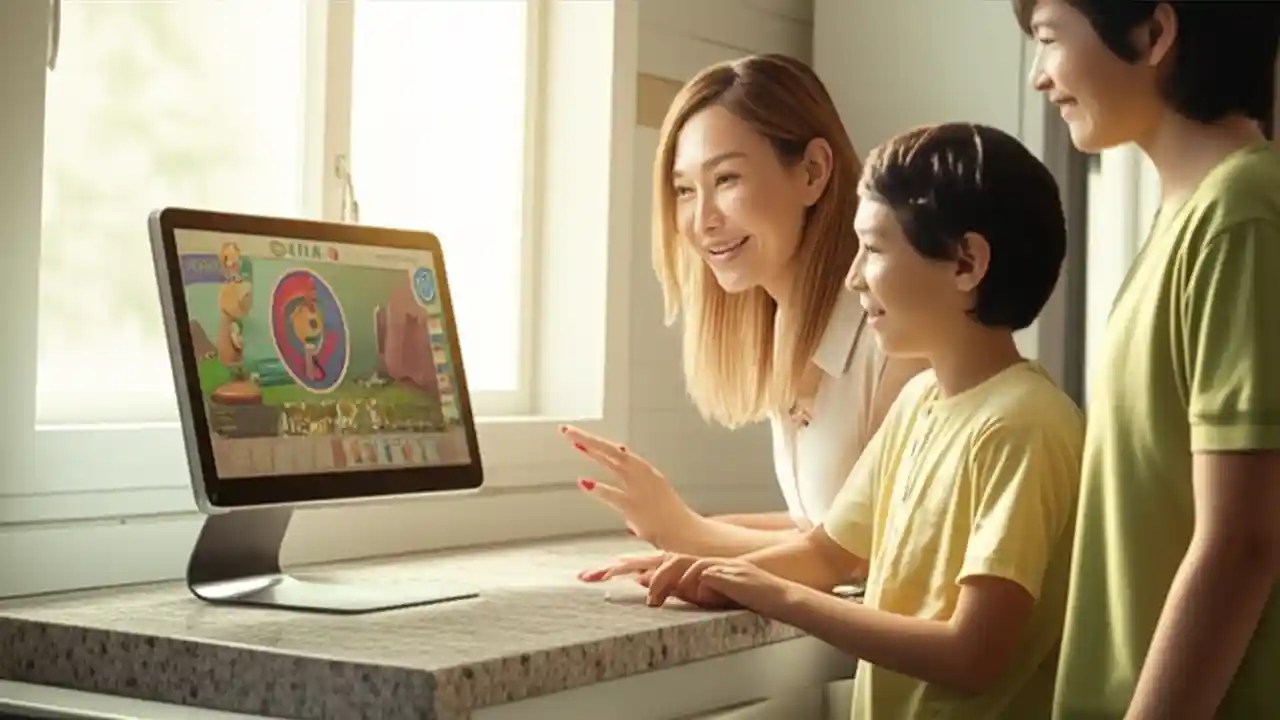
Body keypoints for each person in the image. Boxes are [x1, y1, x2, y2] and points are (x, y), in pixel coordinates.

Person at [593, 123, 1083, 719]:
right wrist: (714, 575)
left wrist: (778, 597)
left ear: (965, 262)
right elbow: (827, 553)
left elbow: (972, 654)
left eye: (873, 249)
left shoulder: (1023, 426)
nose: (852, 277)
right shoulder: (920, 403)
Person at [1013, 2, 1280, 717]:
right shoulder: (1189, 218)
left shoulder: (1242, 214)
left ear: (1155, 33)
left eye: (1046, 40)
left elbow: (1244, 541)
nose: (1040, 77)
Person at [561, 54, 925, 560]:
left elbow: (870, 553)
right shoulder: (788, 331)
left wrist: (686, 532)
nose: (703, 219)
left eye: (726, 179)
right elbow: (820, 526)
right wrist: (680, 527)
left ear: (814, 172)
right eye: (685, 190)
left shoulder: (900, 342)